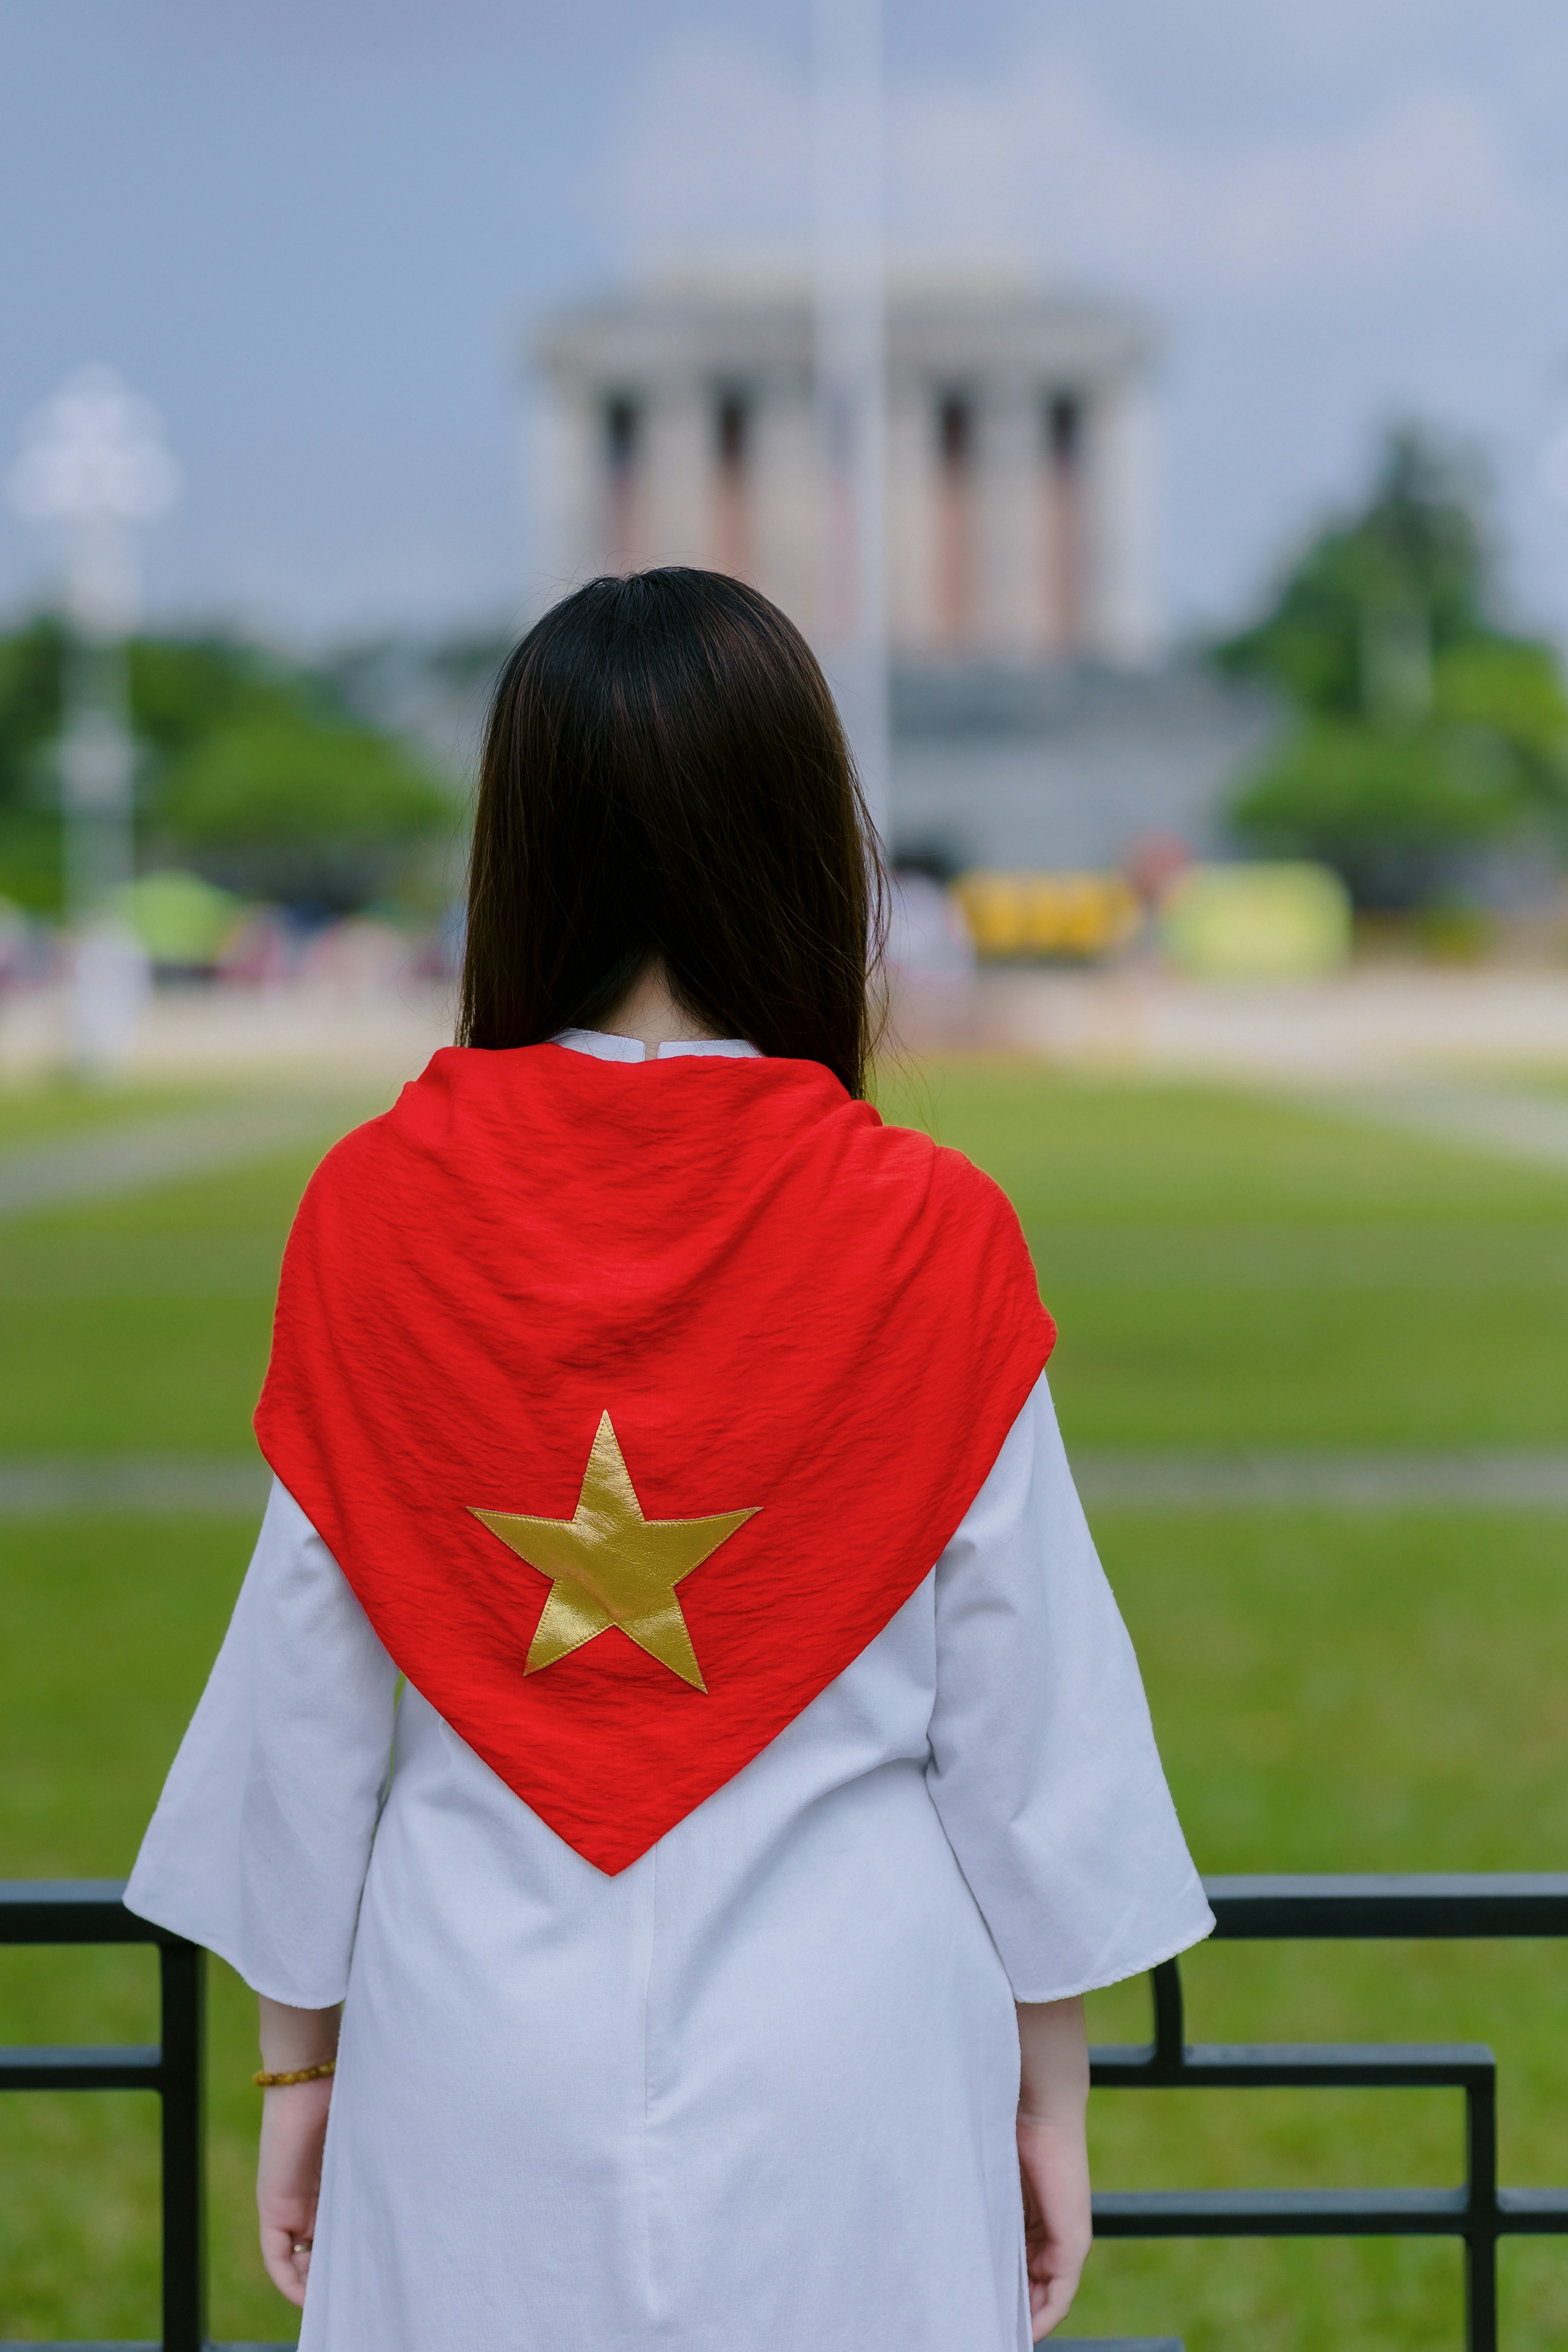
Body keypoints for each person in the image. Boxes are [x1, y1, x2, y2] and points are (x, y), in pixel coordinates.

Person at [126, 568, 1212, 2352]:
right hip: (850, 2032)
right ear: (804, 838)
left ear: (519, 845)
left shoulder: (371, 1211)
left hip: (471, 2020)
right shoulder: (926, 1224)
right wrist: (1048, 2101)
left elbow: (306, 1705)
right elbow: (1027, 1726)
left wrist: (296, 2066)